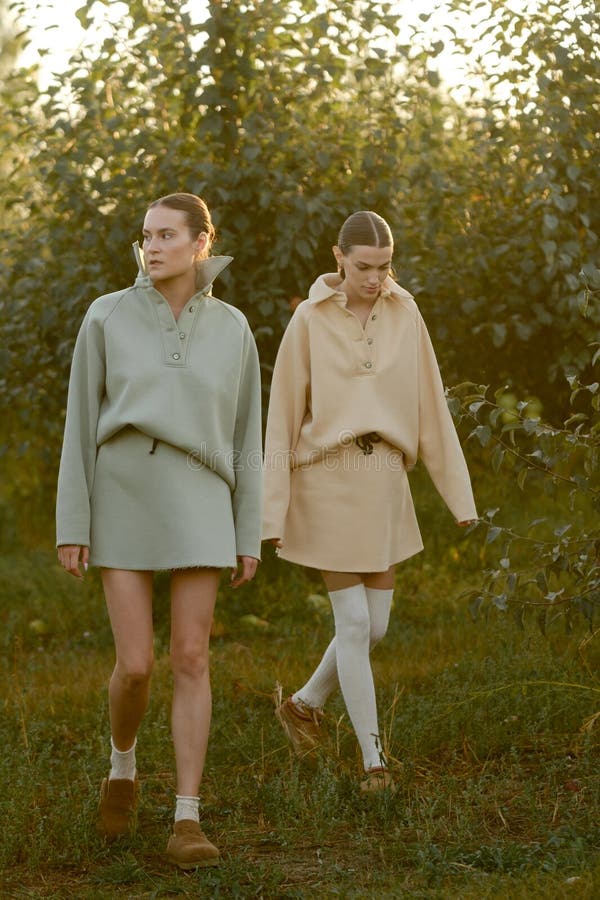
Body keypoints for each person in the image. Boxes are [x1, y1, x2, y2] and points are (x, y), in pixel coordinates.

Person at [56, 193, 262, 868]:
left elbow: (247, 437)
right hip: (122, 491)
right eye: (147, 235)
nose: (153, 246)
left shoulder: (233, 327)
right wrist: (73, 520)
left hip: (203, 495)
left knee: (193, 657)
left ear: (202, 242)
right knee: (138, 666)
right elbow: (80, 423)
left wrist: (248, 530)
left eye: (168, 235)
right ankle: (122, 765)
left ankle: (187, 818)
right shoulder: (106, 314)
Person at [263, 210, 477, 793]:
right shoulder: (308, 319)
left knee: (375, 626)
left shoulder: (406, 313)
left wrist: (458, 495)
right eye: (364, 267)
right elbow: (282, 418)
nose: (376, 278)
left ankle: (303, 705)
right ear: (339, 257)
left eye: (385, 267)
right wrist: (272, 508)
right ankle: (374, 761)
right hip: (325, 478)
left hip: (385, 481)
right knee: (354, 622)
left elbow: (431, 405)